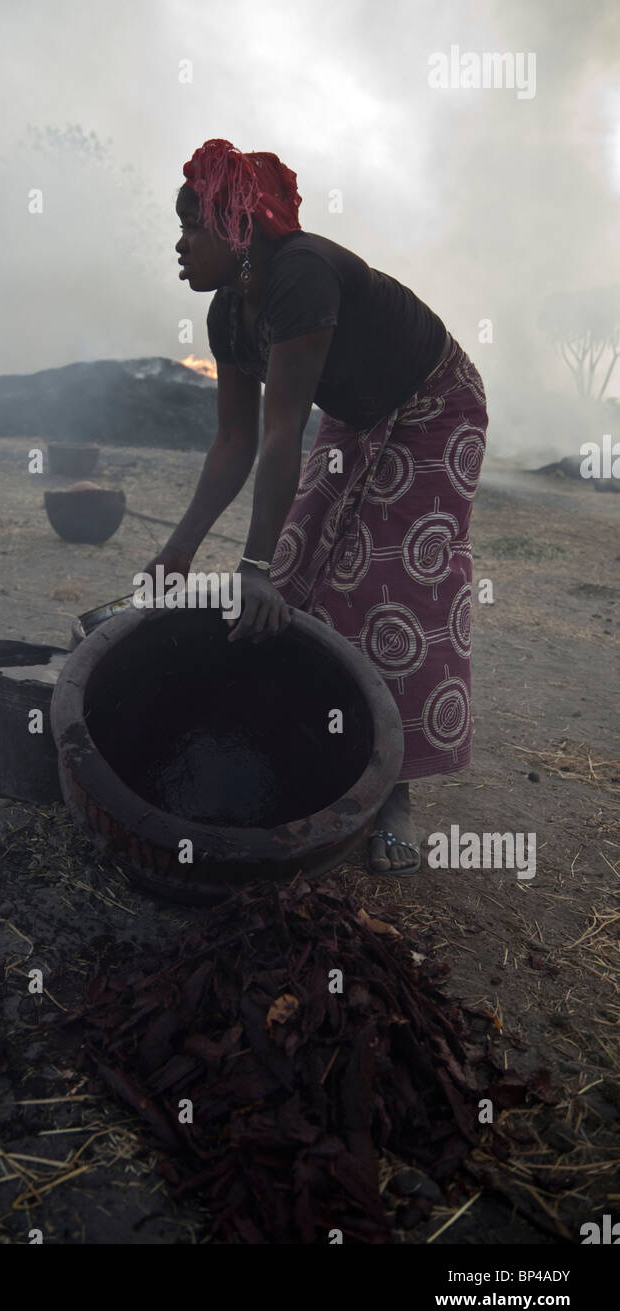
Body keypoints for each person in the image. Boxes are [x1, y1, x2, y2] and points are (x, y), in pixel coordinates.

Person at [145, 137, 488, 876]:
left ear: (236, 231)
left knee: (391, 584)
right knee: (301, 566)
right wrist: (181, 547)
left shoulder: (299, 276)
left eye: (191, 227)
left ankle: (392, 792)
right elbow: (235, 442)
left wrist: (251, 564)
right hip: (360, 413)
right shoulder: (227, 319)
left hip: (435, 404)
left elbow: (281, 435)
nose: (178, 246)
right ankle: (322, 747)